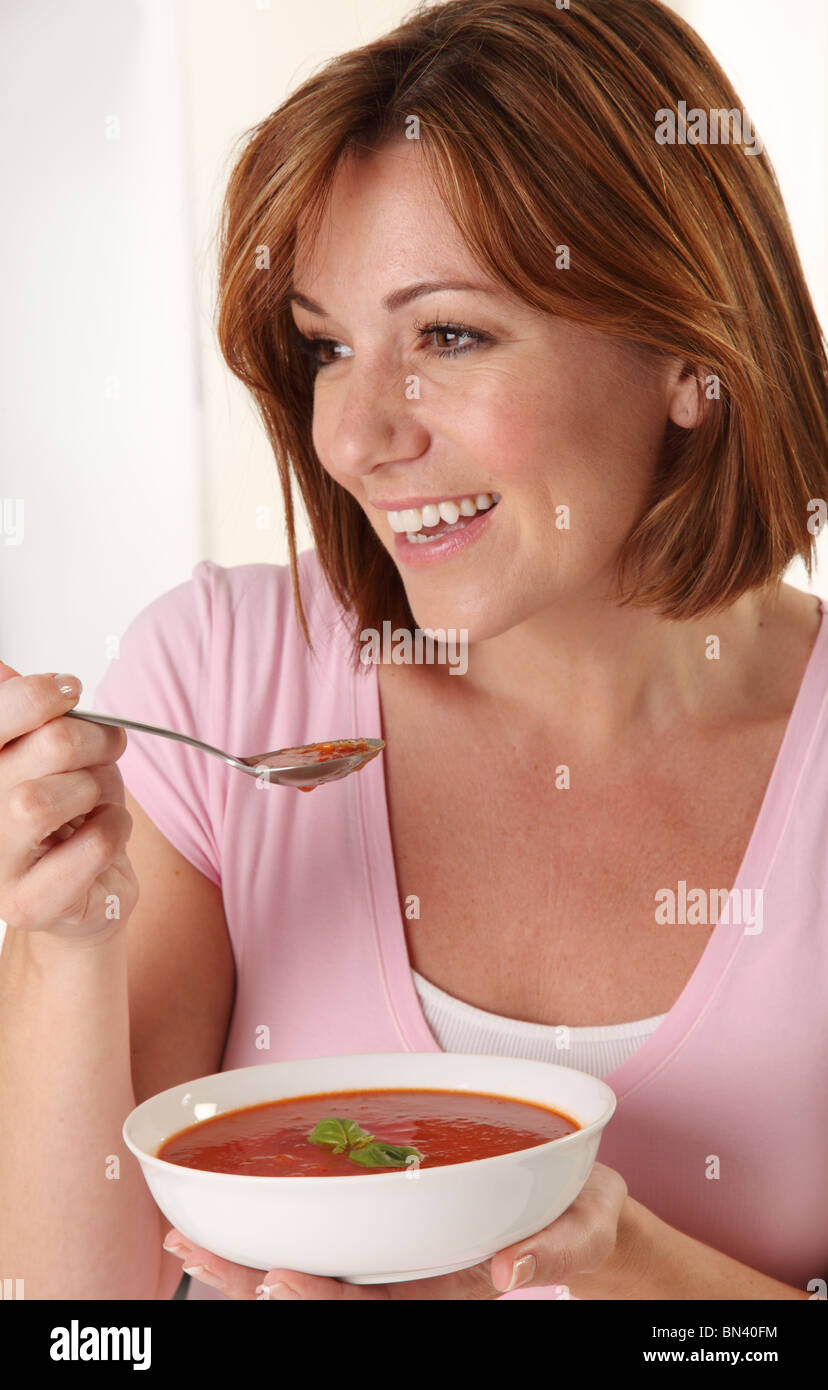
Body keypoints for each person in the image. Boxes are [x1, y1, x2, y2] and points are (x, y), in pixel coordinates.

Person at [1, 0, 826, 1302]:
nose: (353, 435)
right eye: (329, 346)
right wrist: (62, 936)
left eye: (448, 335)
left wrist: (614, 1261)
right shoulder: (227, 679)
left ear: (686, 354)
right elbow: (78, 1324)